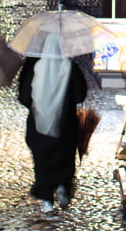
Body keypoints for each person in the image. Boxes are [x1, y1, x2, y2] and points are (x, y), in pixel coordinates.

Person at [15, 31, 87, 215]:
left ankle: (47, 199)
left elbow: (23, 96)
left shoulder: (35, 68)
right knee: (64, 157)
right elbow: (80, 95)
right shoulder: (70, 68)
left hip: (39, 124)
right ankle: (63, 186)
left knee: (42, 161)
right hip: (65, 124)